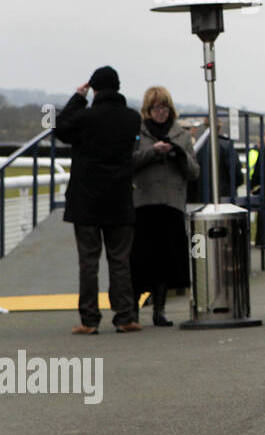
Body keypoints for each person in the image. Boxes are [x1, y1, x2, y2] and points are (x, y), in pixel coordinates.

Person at [54, 66, 142, 334]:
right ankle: (125, 316)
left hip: (86, 199)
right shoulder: (132, 118)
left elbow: (55, 128)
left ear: (94, 88)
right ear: (118, 87)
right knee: (120, 260)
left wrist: (77, 99)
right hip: (119, 197)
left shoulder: (85, 118)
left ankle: (90, 320)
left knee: (89, 262)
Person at [130, 85, 200, 326]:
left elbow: (194, 172)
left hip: (171, 204)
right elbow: (128, 163)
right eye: (156, 108)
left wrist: (179, 154)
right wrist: (153, 152)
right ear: (147, 110)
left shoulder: (181, 134)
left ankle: (159, 310)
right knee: (140, 260)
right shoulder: (137, 133)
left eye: (164, 108)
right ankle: (133, 310)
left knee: (165, 260)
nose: (161, 112)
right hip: (144, 203)